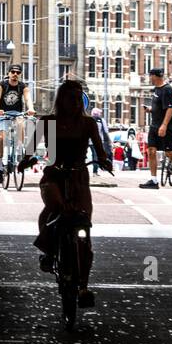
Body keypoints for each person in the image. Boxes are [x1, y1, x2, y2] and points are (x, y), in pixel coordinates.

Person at [34, 79, 112, 306]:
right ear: (62, 100)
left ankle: (84, 287)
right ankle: (48, 251)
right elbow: (30, 147)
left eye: (79, 99)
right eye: (72, 98)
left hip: (79, 177)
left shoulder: (88, 124)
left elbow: (100, 148)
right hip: (54, 175)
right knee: (55, 207)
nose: (76, 103)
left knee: (84, 229)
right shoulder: (47, 122)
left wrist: (105, 160)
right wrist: (26, 160)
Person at [139, 68, 172, 189]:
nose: (150, 78)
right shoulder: (157, 89)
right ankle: (154, 181)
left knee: (169, 152)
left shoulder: (167, 90)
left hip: (165, 127)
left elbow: (170, 109)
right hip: (154, 126)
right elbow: (160, 107)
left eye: (151, 76)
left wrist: (164, 125)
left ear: (155, 76)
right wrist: (150, 109)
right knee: (151, 151)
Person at [0, 65, 34, 184]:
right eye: (13, 72)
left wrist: (31, 108)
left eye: (18, 72)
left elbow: (28, 99)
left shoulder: (23, 86)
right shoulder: (1, 85)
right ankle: (0, 168)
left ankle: (19, 151)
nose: (15, 74)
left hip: (16, 113)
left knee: (21, 123)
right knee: (1, 137)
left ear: (20, 74)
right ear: (9, 73)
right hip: (1, 113)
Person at [89, 107, 112, 176]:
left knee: (88, 155)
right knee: (96, 156)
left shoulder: (89, 120)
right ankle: (95, 172)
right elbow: (106, 131)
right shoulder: (101, 120)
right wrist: (109, 141)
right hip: (98, 141)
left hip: (89, 141)